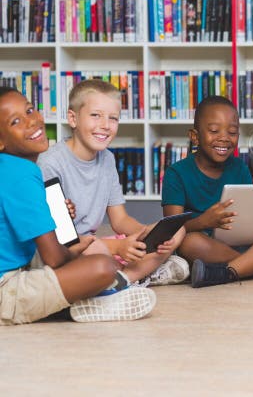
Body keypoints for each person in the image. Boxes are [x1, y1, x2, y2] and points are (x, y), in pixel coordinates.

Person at [0, 86, 155, 324]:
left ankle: (97, 291)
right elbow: (54, 257)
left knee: (94, 254)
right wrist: (76, 249)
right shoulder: (24, 173)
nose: (32, 122)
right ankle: (90, 300)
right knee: (102, 267)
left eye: (30, 110)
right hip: (6, 291)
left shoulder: (11, 169)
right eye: (16, 121)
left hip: (20, 266)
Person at [38, 79, 188, 286]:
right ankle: (132, 275)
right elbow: (57, 239)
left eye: (113, 118)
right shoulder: (50, 163)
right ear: (73, 119)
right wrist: (117, 248)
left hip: (98, 246)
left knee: (178, 230)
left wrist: (144, 235)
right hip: (69, 247)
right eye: (95, 115)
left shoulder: (107, 158)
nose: (105, 125)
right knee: (97, 249)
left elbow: (119, 220)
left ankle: (123, 278)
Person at [161, 95, 253, 288]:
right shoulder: (176, 173)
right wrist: (205, 221)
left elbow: (247, 217)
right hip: (207, 244)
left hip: (241, 240)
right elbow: (171, 230)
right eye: (213, 130)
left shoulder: (239, 167)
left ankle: (224, 273)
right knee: (189, 243)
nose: (224, 138)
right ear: (194, 136)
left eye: (232, 132)